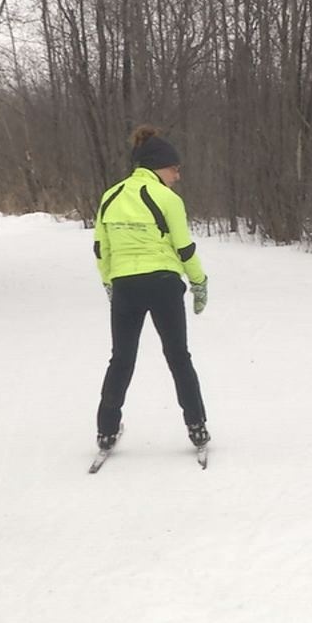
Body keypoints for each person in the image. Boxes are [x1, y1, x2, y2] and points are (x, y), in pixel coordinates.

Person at [92, 125, 210, 451]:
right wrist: (199, 283)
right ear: (158, 165)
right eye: (175, 168)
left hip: (126, 286)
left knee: (121, 359)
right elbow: (184, 248)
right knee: (178, 357)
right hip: (164, 285)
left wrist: (109, 283)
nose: (177, 175)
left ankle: (106, 430)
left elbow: (102, 249)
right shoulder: (167, 199)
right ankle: (197, 426)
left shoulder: (110, 196)